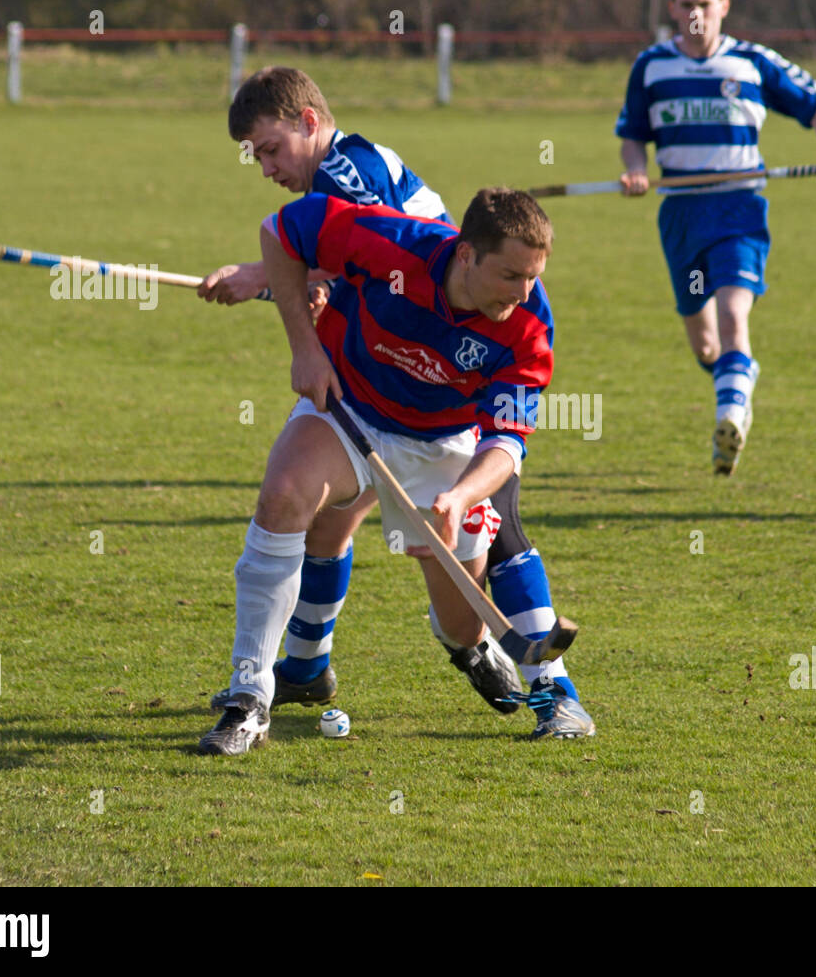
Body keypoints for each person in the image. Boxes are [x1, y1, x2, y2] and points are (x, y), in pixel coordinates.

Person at [198, 68, 594, 746]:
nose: (524, 294)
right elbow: (285, 234)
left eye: (534, 278)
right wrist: (306, 349)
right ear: (466, 254)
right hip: (356, 407)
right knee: (288, 497)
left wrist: (459, 496)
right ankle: (252, 695)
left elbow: (508, 442)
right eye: (511, 276)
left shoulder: (527, 325)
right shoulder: (390, 242)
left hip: (447, 440)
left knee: (465, 611)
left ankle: (523, 675)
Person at [616, 0, 816, 475]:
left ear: (723, 7)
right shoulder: (652, 66)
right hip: (680, 212)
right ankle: (738, 381)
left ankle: (729, 418)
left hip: (739, 207)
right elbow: (632, 134)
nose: (696, 14)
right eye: (686, 5)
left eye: (705, 4)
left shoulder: (752, 62)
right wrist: (636, 171)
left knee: (732, 318)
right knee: (706, 344)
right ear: (672, 10)